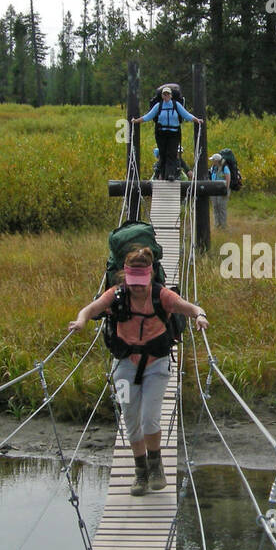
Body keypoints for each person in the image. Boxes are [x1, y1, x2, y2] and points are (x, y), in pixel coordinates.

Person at [68, 246, 209, 495]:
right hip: (123, 366)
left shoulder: (162, 296)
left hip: (156, 365)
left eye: (141, 282)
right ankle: (140, 472)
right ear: (125, 276)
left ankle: (157, 467)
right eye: (133, 282)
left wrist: (200, 316)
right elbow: (90, 309)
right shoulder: (117, 294)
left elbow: (191, 308)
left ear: (150, 275)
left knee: (149, 419)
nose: (137, 287)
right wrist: (81, 321)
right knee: (130, 420)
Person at [134, 86, 201, 179]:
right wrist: (137, 121)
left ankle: (170, 174)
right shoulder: (159, 106)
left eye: (168, 94)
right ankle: (163, 175)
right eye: (164, 94)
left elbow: (186, 115)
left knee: (172, 153)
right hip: (161, 133)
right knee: (163, 154)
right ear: (162, 96)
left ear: (171, 95)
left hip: (174, 133)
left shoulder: (176, 105)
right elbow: (148, 116)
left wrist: (196, 120)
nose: (166, 96)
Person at [207, 152, 230, 229]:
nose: (212, 161)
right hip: (214, 190)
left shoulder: (225, 168)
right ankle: (217, 224)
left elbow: (228, 179)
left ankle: (223, 225)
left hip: (222, 190)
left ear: (216, 160)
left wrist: (226, 190)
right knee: (215, 207)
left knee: (222, 208)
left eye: (213, 160)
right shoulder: (213, 168)